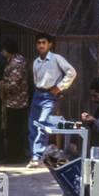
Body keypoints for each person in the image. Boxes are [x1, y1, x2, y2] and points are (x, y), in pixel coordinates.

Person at [28, 33, 76, 167]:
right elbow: (36, 80)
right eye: (39, 43)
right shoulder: (36, 62)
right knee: (33, 125)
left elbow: (71, 72)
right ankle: (34, 155)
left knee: (43, 124)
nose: (41, 45)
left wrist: (60, 87)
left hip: (49, 96)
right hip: (38, 94)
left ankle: (38, 156)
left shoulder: (56, 59)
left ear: (49, 44)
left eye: (44, 42)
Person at [0, 39, 29, 165]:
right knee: (13, 130)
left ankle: (15, 156)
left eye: (3, 50)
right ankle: (14, 155)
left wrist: (1, 86)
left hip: (16, 102)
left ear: (7, 51)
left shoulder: (16, 63)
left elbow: (14, 84)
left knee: (14, 131)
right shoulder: (14, 60)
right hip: (13, 101)